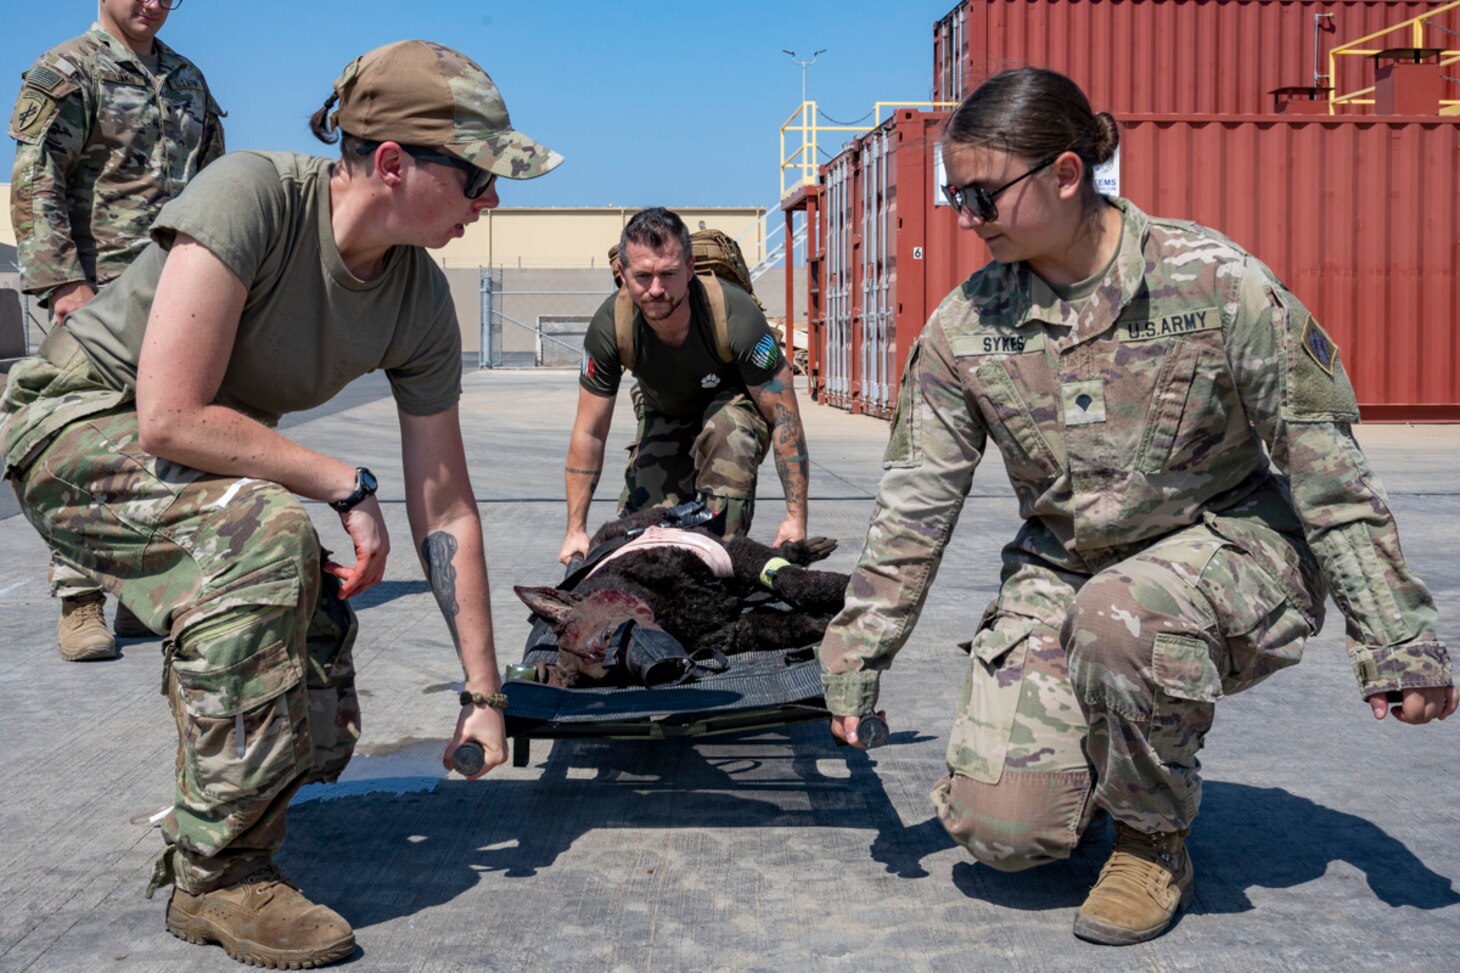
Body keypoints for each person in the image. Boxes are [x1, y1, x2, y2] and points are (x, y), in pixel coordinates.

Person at [818, 67, 1455, 946]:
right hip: (1066, 569)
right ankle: (1093, 764)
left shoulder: (1214, 284)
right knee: (1004, 835)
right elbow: (914, 506)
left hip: (1229, 549)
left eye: (983, 194)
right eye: (953, 193)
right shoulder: (967, 328)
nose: (965, 217)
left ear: (1068, 174)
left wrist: (1397, 642)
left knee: (1117, 617)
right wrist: (858, 655)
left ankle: (1154, 839)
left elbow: (1325, 470)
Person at [0, 39, 560, 967]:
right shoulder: (254, 193)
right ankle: (218, 877)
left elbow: (448, 504)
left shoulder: (418, 299)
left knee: (316, 649)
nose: (489, 201)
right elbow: (170, 414)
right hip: (75, 420)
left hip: (182, 447)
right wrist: (344, 482)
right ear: (390, 164)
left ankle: (224, 787)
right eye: (475, 177)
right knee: (262, 535)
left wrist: (483, 694)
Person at [9, 0, 226, 661]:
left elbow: (219, 187)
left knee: (167, 442)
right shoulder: (67, 70)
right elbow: (36, 180)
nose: (153, 5)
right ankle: (79, 601)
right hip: (98, 298)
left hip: (181, 296)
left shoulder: (188, 79)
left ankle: (141, 595)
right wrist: (63, 284)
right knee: (88, 442)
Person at [560, 207, 809, 563]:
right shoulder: (610, 327)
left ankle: (721, 566)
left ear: (690, 270)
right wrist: (575, 531)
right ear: (623, 273)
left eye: (669, 274)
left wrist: (795, 520)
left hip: (734, 408)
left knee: (727, 439)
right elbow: (590, 431)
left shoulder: (734, 314)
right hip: (665, 410)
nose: (656, 289)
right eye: (643, 276)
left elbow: (785, 418)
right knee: (642, 540)